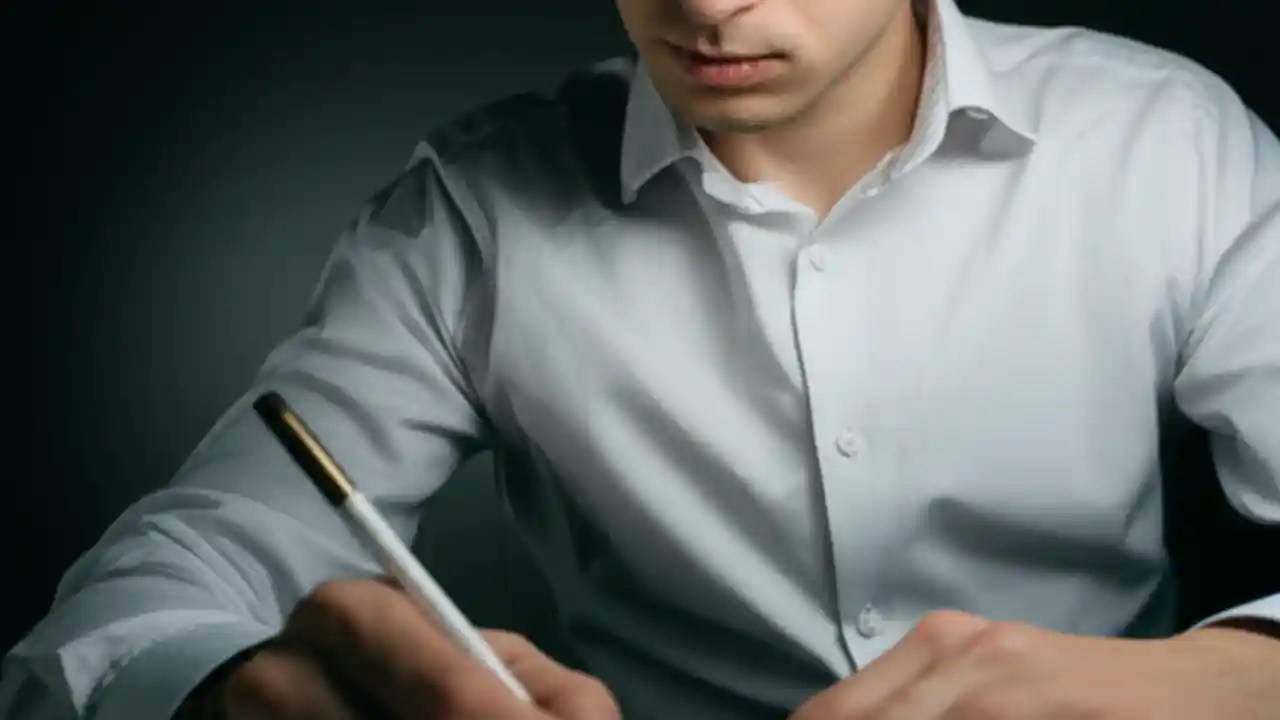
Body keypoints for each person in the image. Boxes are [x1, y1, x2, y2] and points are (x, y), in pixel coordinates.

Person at [3, 0, 1278, 716]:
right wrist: (229, 695)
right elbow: (127, 609)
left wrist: (1213, 684)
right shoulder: (476, 211)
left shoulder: (1161, 145)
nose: (710, 1)